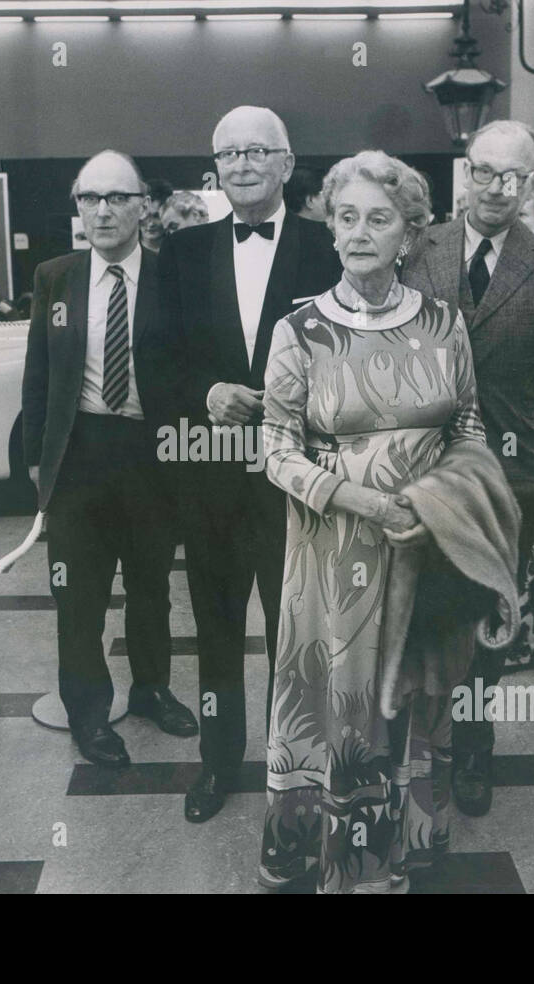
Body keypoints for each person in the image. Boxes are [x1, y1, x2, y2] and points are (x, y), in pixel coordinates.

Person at [257, 150, 518, 893]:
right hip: (332, 554)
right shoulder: (299, 328)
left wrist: (437, 505)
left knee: (412, 694)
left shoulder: (444, 322)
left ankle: (403, 849)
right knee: (344, 701)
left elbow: (469, 427)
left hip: (426, 549)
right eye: (347, 217)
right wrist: (365, 500)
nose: (360, 232)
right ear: (331, 229)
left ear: (410, 234)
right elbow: (274, 450)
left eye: (380, 218)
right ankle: (339, 859)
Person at [399, 119, 534, 817]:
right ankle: (414, 744)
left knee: (489, 618)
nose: (496, 188)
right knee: (416, 604)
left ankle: (475, 747)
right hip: (415, 461)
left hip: (510, 470)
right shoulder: (417, 248)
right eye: (483, 171)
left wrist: (520, 407)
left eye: (514, 176)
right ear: (465, 172)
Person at [153, 106, 342, 823]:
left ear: (287, 164)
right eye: (227, 153)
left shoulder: (328, 249)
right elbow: (157, 357)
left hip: (297, 479)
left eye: (256, 151)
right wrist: (206, 392)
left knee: (297, 634)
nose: (240, 164)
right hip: (209, 479)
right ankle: (218, 761)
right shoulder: (183, 251)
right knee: (217, 630)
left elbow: (353, 361)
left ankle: (293, 769)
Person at [20, 151, 197, 768]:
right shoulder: (55, 277)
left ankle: (151, 690)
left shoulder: (171, 276)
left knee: (151, 587)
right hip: (80, 455)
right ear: (77, 205)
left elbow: (190, 370)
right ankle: (88, 715)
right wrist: (36, 459)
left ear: (142, 204)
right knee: (80, 595)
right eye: (89, 198)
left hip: (153, 454)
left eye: (117, 197)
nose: (102, 210)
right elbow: (38, 371)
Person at [140, 177, 175, 253]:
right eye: (145, 216)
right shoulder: (123, 250)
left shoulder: (179, 250)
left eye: (157, 216)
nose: (151, 224)